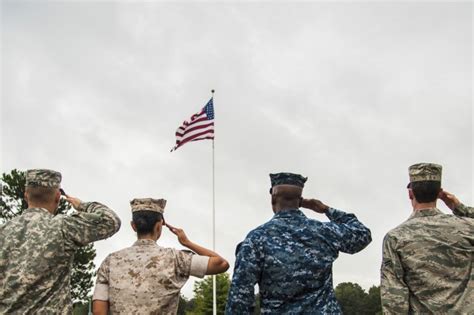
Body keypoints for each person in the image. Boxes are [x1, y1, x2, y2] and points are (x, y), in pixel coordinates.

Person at [225, 172, 372, 314]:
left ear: (272, 199)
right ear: (300, 201)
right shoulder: (323, 232)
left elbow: (240, 298)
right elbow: (362, 234)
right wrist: (326, 209)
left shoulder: (255, 240)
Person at [0, 169, 121, 314]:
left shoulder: (3, 231)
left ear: (26, 195)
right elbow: (110, 221)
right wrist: (82, 206)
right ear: (58, 197)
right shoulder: (63, 227)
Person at [92, 198, 229, 314]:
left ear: (133, 226)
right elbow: (221, 264)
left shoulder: (110, 261)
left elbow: (99, 311)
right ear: (159, 226)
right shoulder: (176, 258)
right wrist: (187, 243)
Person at [381, 163, 474, 314]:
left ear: (410, 194)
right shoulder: (468, 228)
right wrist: (460, 208)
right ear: (439, 193)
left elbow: (394, 299)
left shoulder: (396, 238)